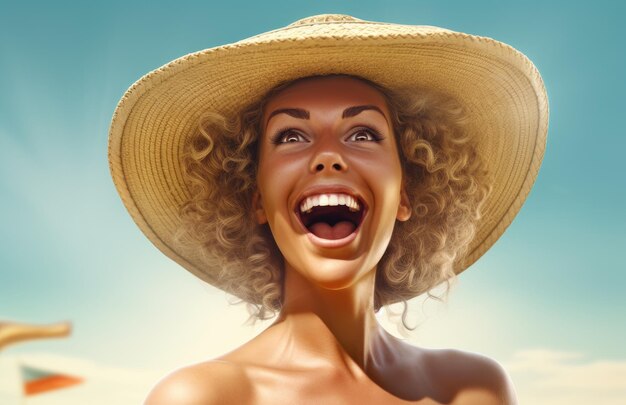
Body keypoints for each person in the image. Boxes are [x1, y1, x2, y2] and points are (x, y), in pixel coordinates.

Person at [109, 14, 547, 404]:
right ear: (255, 198)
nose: (327, 156)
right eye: (291, 136)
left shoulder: (470, 389)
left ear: (407, 192)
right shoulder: (202, 398)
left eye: (362, 134)